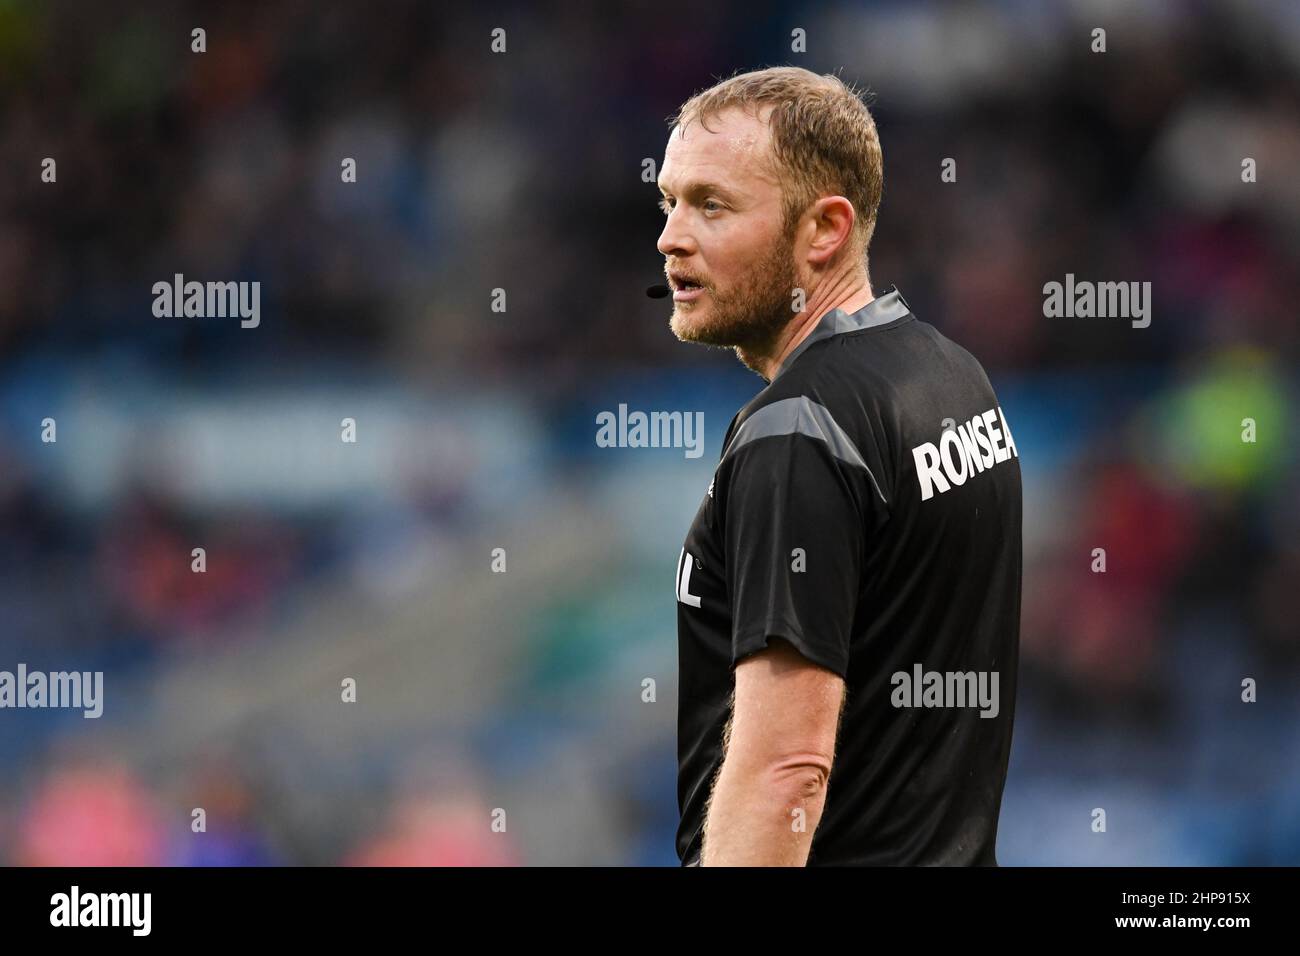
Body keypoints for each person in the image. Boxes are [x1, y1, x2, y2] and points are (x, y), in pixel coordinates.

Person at [660, 66, 1022, 866]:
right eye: (670, 201)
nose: (671, 238)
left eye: (711, 205)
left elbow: (785, 773)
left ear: (824, 229)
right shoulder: (954, 375)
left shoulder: (798, 432)